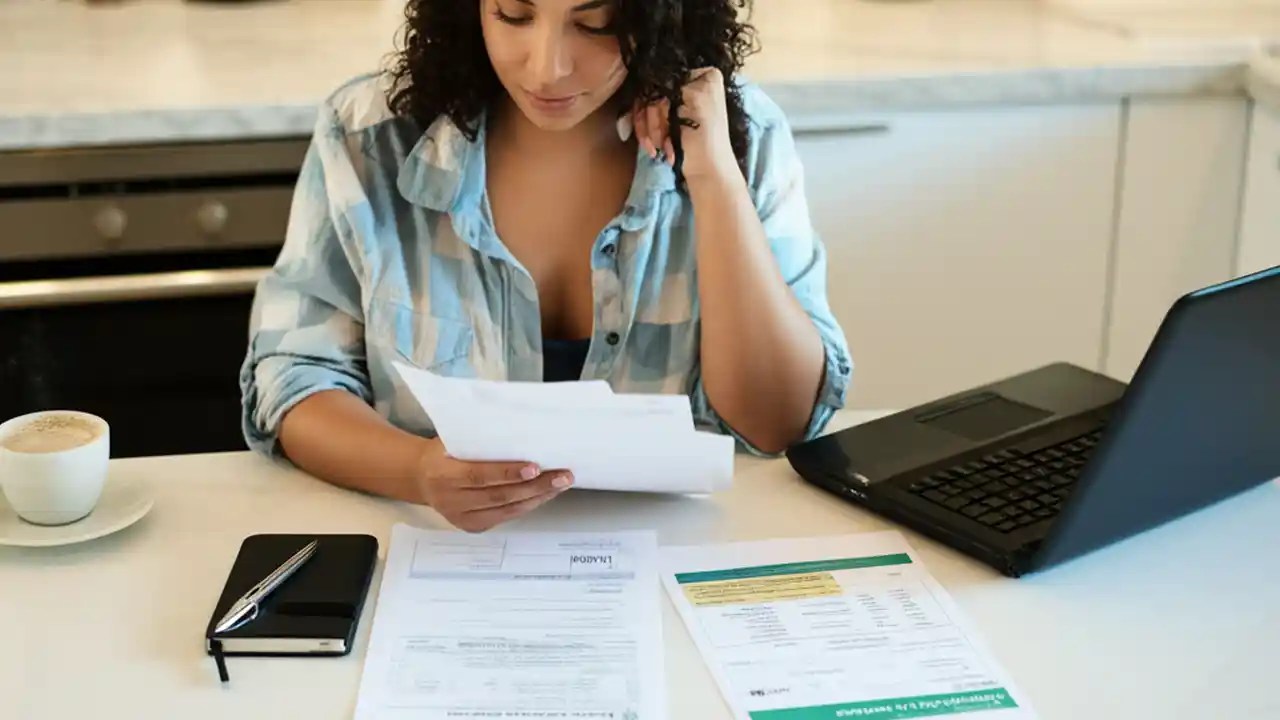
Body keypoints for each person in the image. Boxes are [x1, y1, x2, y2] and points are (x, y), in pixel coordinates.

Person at [239, 0, 853, 532]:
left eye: (596, 23)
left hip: (681, 574)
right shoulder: (369, 135)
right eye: (513, 15)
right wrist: (416, 471)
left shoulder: (742, 136)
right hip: (437, 566)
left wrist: (715, 179)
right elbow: (295, 376)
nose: (546, 66)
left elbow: (778, 422)